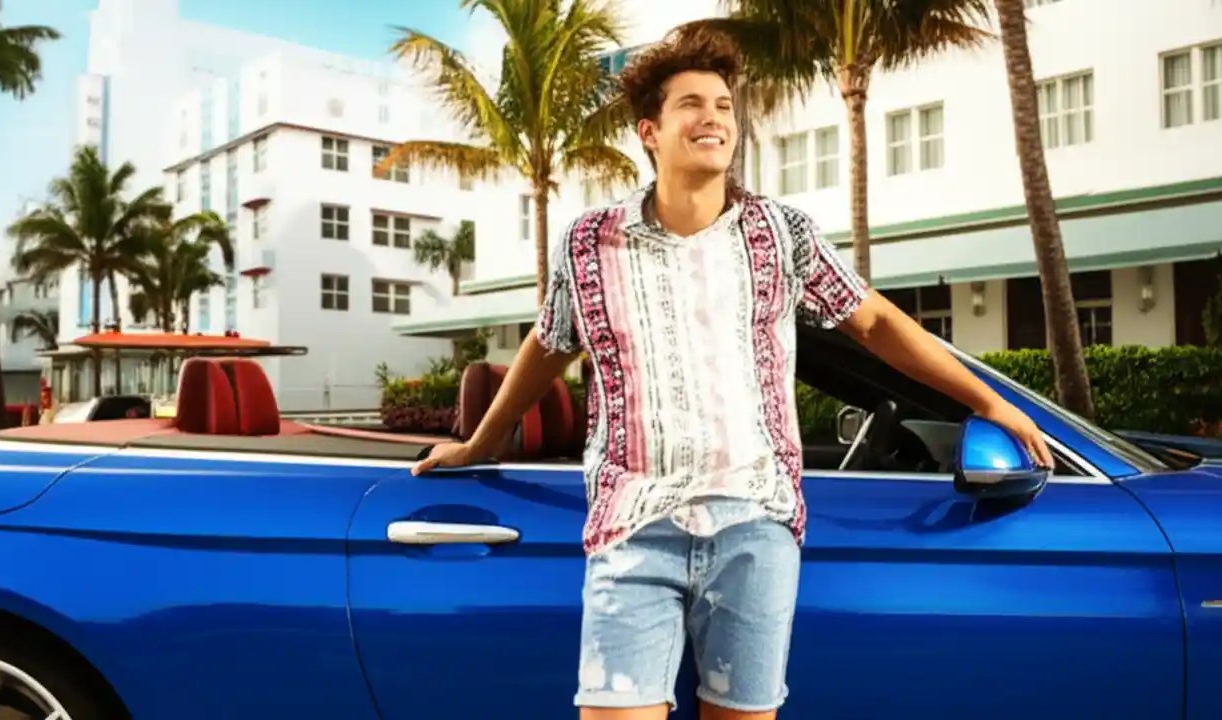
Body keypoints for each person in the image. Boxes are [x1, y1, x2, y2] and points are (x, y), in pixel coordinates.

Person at [412, 26, 1053, 720]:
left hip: (753, 524)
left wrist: (991, 403)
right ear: (649, 130)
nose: (713, 116)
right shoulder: (588, 241)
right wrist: (479, 445)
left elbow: (876, 324)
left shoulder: (781, 234)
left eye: (723, 104)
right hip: (633, 526)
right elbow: (550, 344)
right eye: (692, 103)